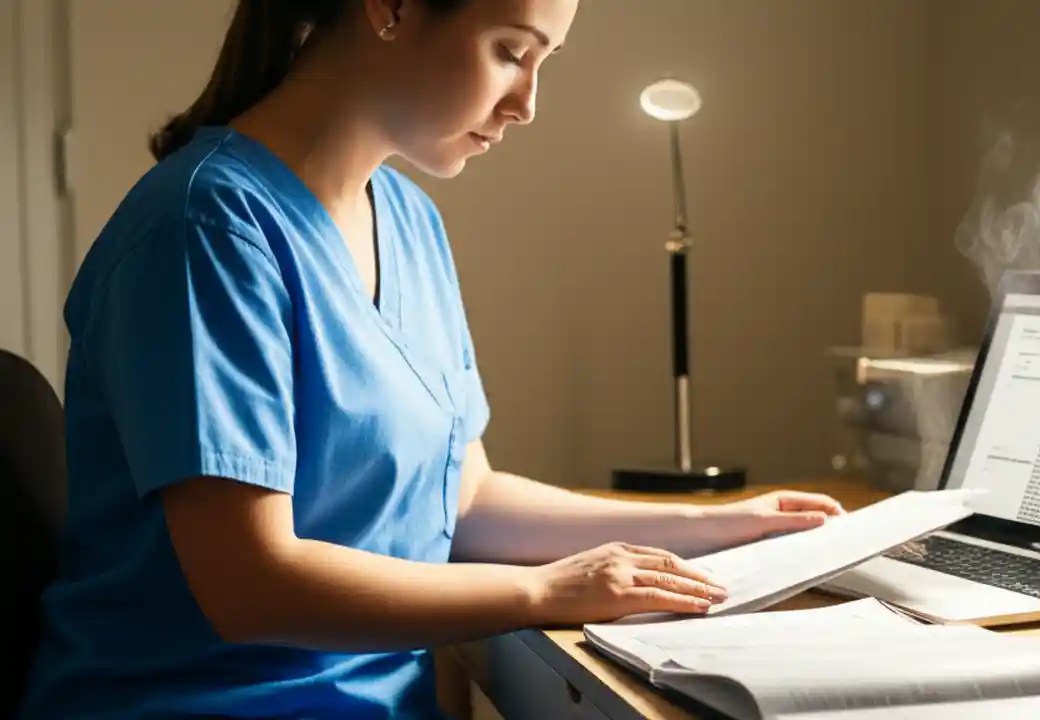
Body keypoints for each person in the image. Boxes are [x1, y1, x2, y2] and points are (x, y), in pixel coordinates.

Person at [19, 1, 845, 717]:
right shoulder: (205, 229)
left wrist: (721, 525)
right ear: (390, 6)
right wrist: (545, 589)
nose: (527, 104)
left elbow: (466, 501)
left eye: (544, 62)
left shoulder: (409, 219)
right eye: (512, 51)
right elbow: (250, 584)